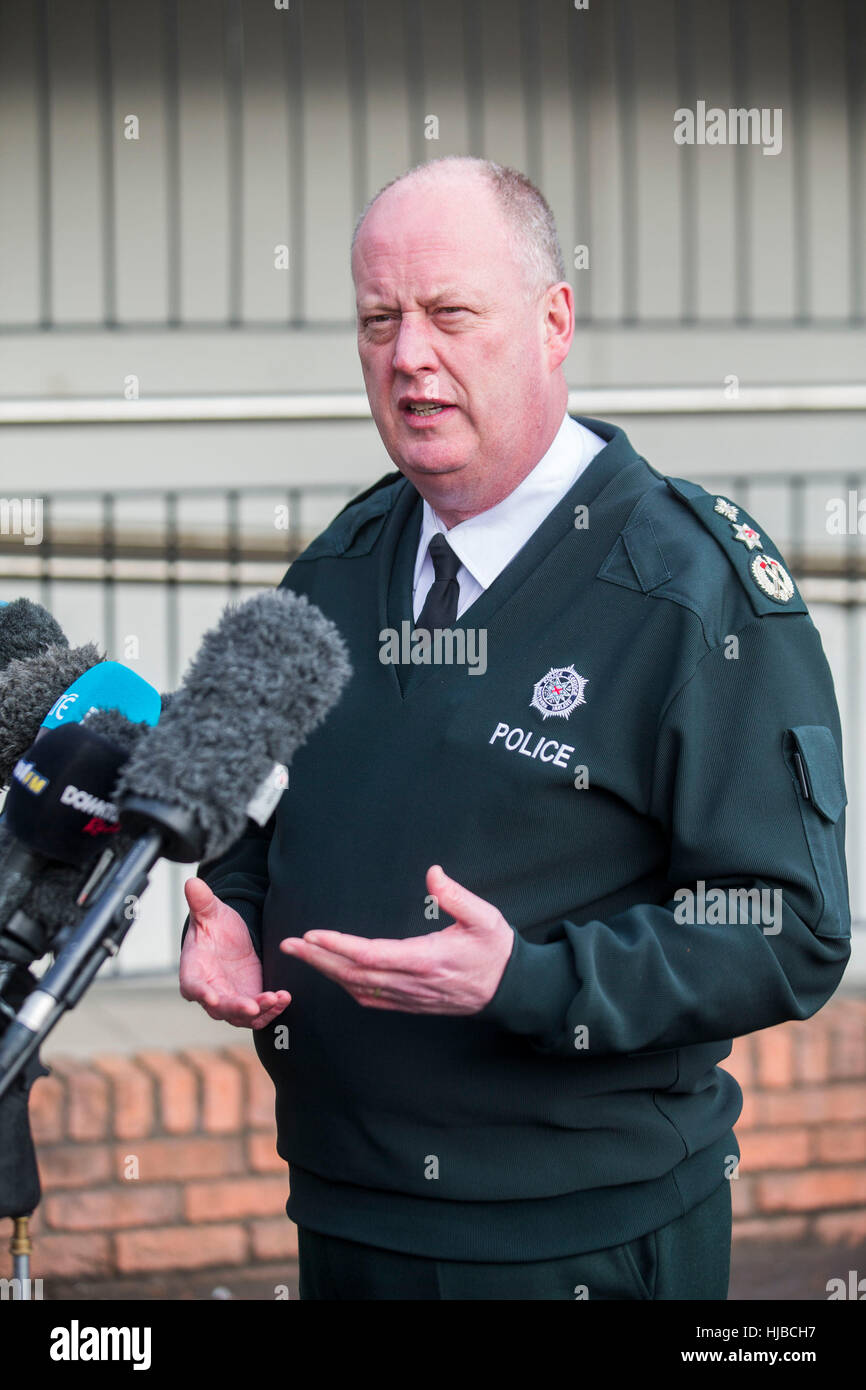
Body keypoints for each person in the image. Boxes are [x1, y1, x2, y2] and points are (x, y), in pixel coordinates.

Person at [178, 156, 851, 1301]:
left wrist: (528, 983)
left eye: (448, 314)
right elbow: (256, 819)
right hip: (343, 1211)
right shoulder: (336, 567)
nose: (407, 356)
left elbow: (788, 929)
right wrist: (230, 917)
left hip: (573, 1241)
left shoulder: (688, 590)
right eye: (378, 319)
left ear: (552, 323)